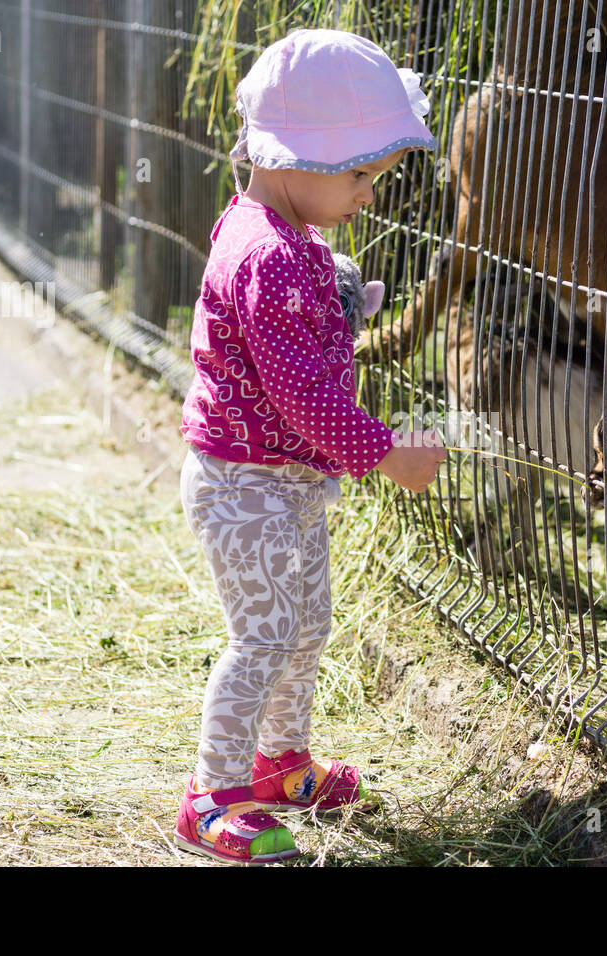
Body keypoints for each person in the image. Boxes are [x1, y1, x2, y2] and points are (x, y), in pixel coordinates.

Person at [174, 28, 448, 864]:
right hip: (245, 485)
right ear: (299, 159)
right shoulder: (269, 257)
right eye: (361, 174)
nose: (370, 194)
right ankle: (210, 799)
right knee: (261, 636)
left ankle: (279, 763)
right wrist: (388, 453)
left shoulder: (281, 232)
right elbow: (306, 401)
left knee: (307, 625)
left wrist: (342, 303)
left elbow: (298, 347)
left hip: (284, 483)